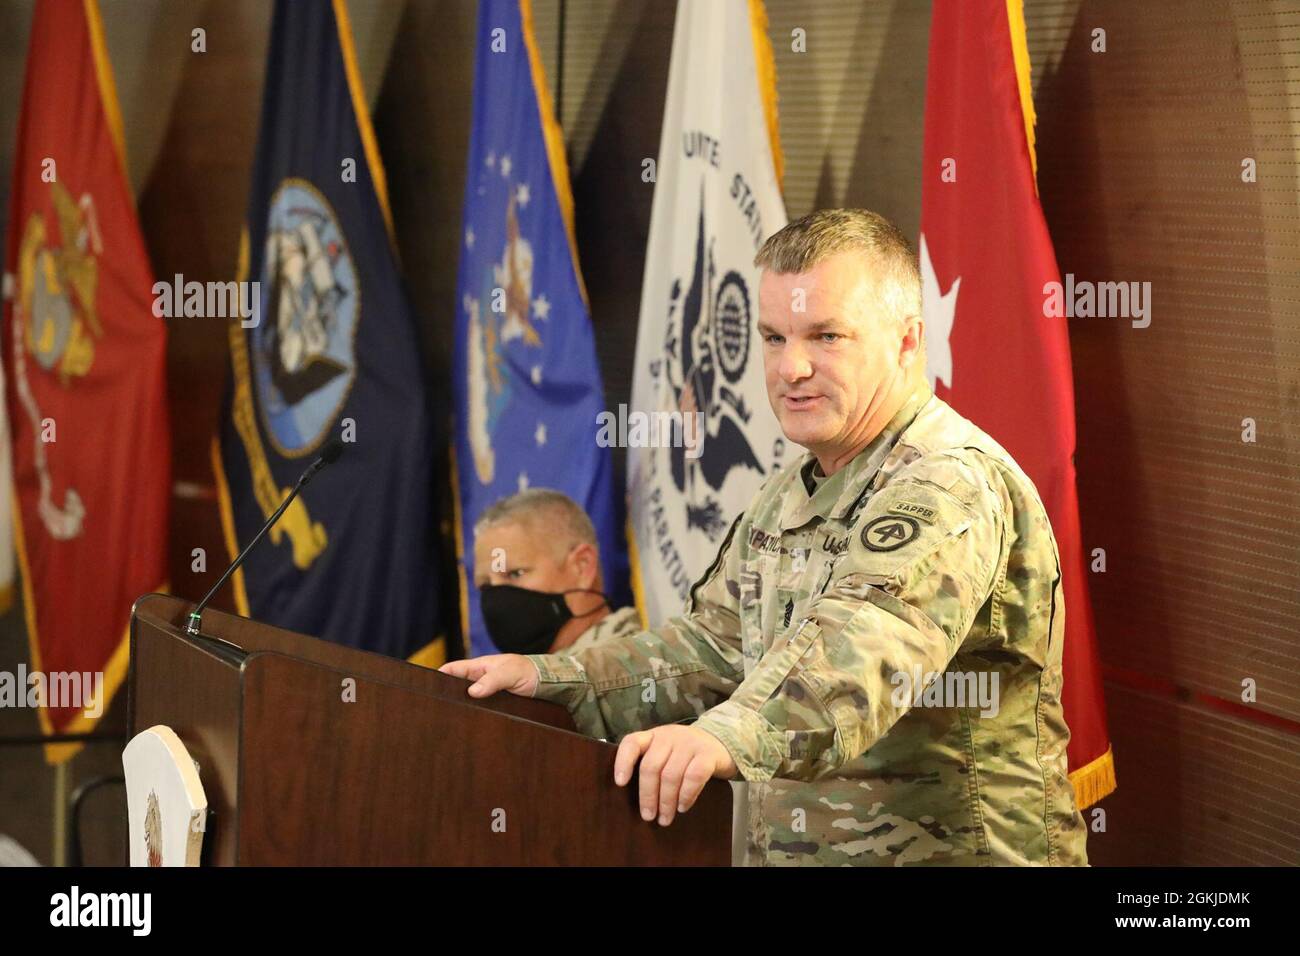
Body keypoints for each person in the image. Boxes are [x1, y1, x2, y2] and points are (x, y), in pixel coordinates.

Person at [444, 209, 1089, 866]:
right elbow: (710, 651)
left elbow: (858, 656)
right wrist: (552, 679)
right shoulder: (791, 491)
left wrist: (724, 736)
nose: (792, 367)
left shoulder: (948, 484)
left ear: (906, 341)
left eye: (826, 336)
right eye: (774, 337)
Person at [472, 488, 640, 655]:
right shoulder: (529, 671)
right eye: (486, 585)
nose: (496, 599)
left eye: (515, 573)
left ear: (582, 566)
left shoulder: (632, 663)